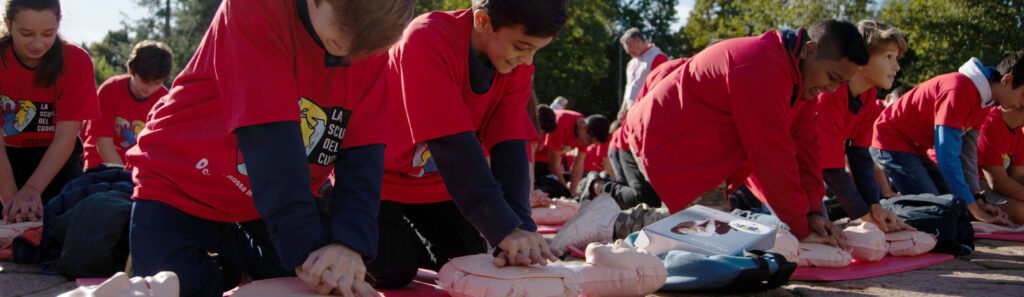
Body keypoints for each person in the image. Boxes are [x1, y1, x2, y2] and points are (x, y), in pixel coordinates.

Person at [124, 0, 415, 296]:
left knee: (352, 275)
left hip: (261, 206)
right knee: (179, 288)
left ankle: (235, 260)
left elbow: (363, 158)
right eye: (340, 36)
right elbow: (271, 145)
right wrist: (308, 251)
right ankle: (223, 269)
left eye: (365, 51)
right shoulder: (253, 8)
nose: (351, 58)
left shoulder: (370, 47)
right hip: (179, 184)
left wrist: (348, 245)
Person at [552, 20, 869, 253]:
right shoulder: (764, 67)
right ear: (810, 50)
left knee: (718, 236)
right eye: (832, 77)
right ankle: (610, 223)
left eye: (840, 83)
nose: (832, 89)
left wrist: (814, 211)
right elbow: (772, 156)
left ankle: (618, 219)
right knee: (709, 240)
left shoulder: (799, 80)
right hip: (669, 139)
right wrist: (801, 229)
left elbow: (806, 150)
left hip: (698, 150)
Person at [369, 0, 569, 289]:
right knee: (392, 271)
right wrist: (502, 228)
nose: (527, 61)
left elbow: (509, 146)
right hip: (376, 179)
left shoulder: (517, 64)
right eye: (522, 47)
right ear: (483, 21)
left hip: (435, 185)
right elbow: (453, 145)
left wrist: (519, 229)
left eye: (536, 51)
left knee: (470, 261)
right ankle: (332, 218)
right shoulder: (427, 37)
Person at [871, 50, 1024, 227]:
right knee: (937, 213)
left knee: (954, 206)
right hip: (891, 142)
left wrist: (976, 198)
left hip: (916, 150)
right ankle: (877, 207)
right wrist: (975, 209)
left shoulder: (985, 102)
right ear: (1007, 80)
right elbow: (947, 157)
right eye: (1023, 96)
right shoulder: (960, 89)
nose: (1022, 104)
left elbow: (968, 153)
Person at [0, 0, 99, 223]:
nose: (37, 43)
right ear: (9, 24)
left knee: (59, 229)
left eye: (48, 33)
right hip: (6, 160)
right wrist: (11, 203)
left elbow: (66, 135)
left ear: (58, 24)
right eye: (26, 33)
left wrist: (32, 189)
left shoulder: (76, 61)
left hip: (55, 161)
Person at [813, 20, 913, 231]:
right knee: (803, 230)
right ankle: (742, 215)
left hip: (810, 174)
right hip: (783, 170)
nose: (896, 66)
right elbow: (830, 167)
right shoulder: (831, 94)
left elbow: (860, 156)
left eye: (895, 58)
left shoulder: (868, 94)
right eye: (888, 57)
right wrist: (862, 213)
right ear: (862, 58)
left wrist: (873, 205)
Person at [81, 40, 172, 170]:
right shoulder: (110, 90)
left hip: (138, 172)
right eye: (145, 81)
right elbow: (103, 144)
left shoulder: (164, 99)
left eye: (156, 83)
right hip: (102, 166)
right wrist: (124, 175)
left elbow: (161, 149)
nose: (149, 88)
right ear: (130, 70)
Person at [538, 109, 610, 197]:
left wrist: (573, 191)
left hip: (549, 160)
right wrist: (567, 192)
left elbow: (579, 165)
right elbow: (553, 164)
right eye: (589, 141)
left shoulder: (584, 133)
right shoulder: (562, 122)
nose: (588, 145)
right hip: (537, 157)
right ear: (584, 127)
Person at [979, 104, 1024, 225]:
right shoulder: (991, 121)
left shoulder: (1018, 129)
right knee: (1021, 212)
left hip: (993, 186)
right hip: (975, 184)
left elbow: (1017, 176)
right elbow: (997, 182)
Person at [618, 27, 668, 122]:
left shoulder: (657, 57)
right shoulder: (631, 63)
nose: (627, 51)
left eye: (629, 45)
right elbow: (629, 86)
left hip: (648, 112)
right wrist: (623, 109)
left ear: (638, 40)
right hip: (632, 113)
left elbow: (662, 88)